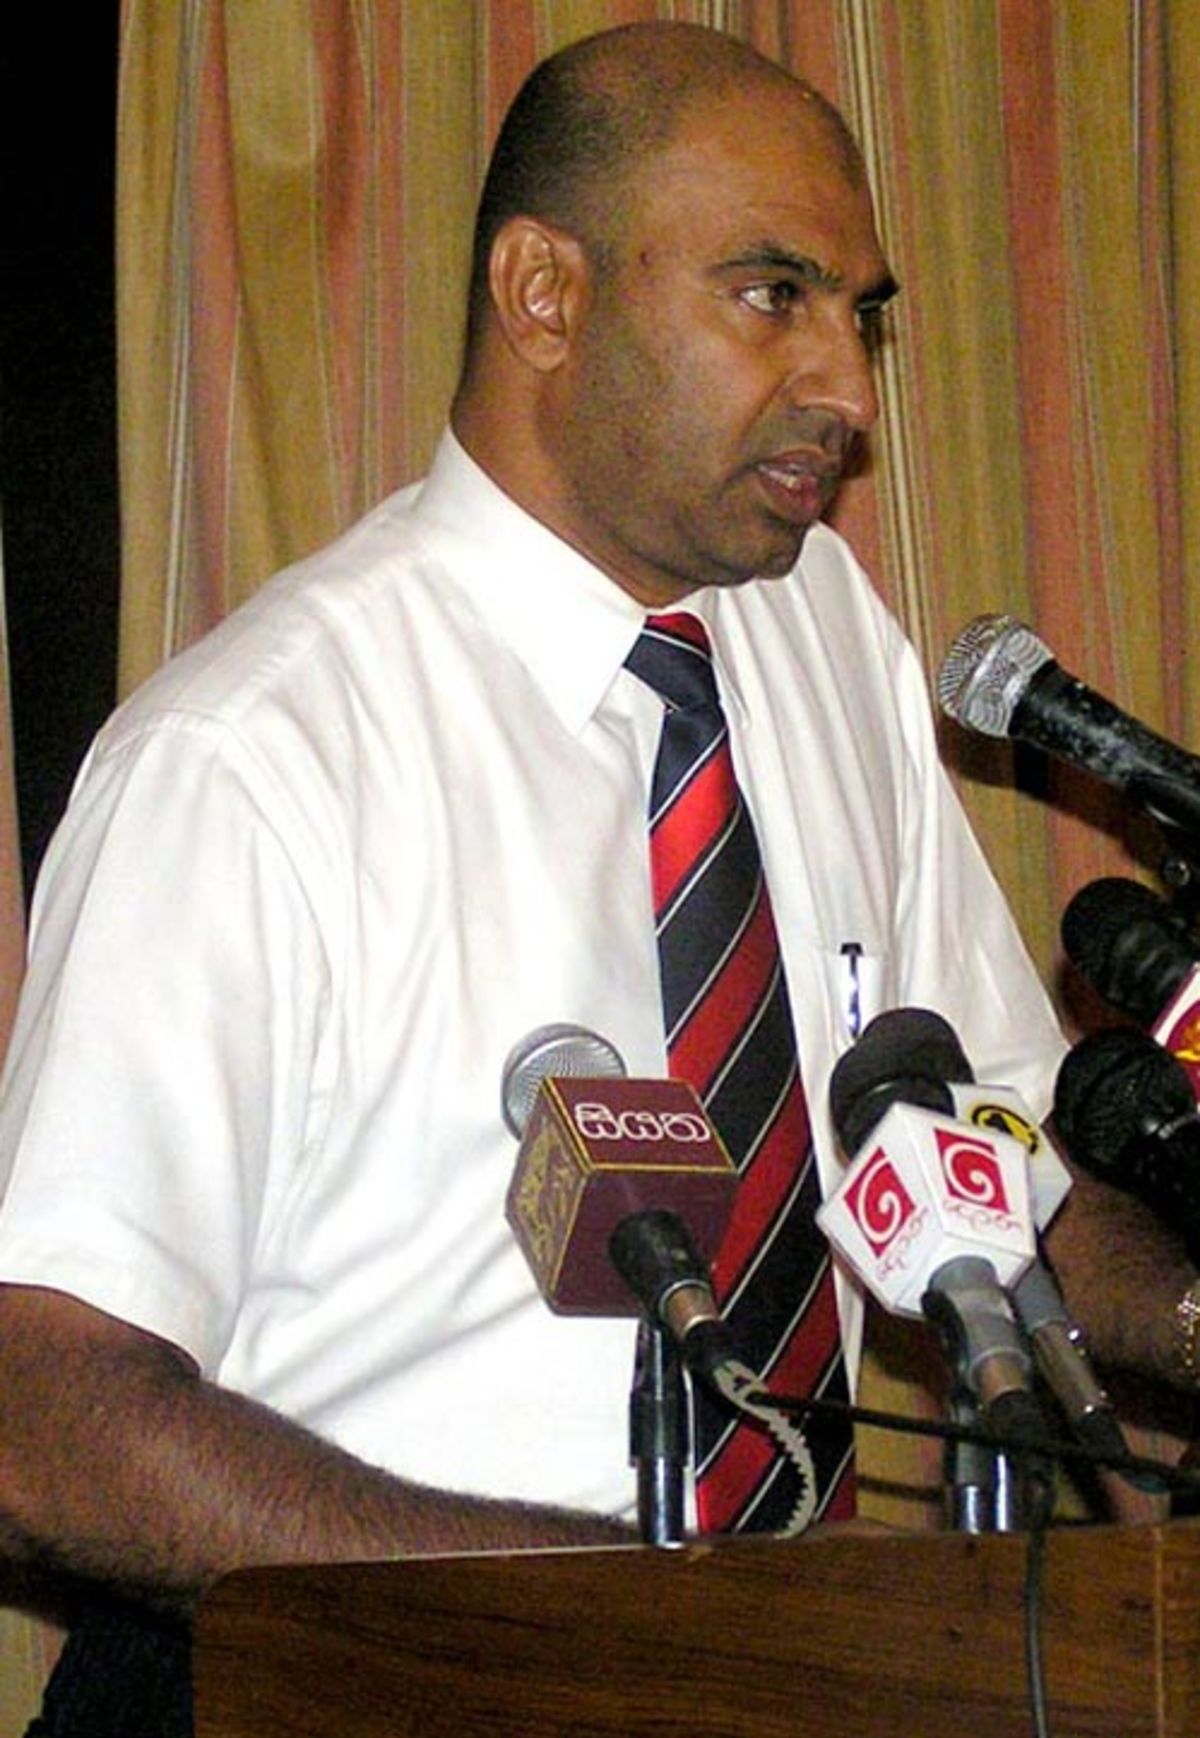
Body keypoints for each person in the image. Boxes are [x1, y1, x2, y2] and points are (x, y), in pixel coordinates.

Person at [0, 18, 1194, 1732]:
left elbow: (988, 1184)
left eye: (861, 316)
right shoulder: (256, 756)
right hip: (330, 1686)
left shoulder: (824, 640)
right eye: (771, 295)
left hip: (765, 1684)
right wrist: (599, 1629)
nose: (850, 392)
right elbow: (43, 1405)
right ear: (543, 294)